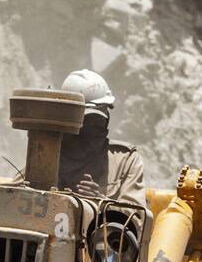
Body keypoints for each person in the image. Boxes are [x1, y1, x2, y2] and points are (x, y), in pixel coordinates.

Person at [57, 69, 146, 212]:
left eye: (98, 121)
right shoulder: (49, 155)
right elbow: (14, 199)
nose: (93, 128)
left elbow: (136, 218)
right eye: (86, 122)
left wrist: (100, 203)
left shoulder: (124, 161)